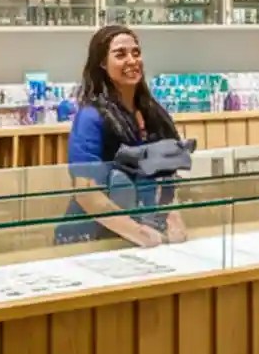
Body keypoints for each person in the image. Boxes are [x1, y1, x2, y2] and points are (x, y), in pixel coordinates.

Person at [54, 25, 186, 247]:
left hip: (146, 235)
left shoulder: (155, 114)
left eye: (136, 53)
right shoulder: (90, 117)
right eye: (120, 54)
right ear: (102, 63)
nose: (132, 60)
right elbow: (86, 193)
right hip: (91, 239)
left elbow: (168, 181)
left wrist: (174, 218)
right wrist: (137, 232)